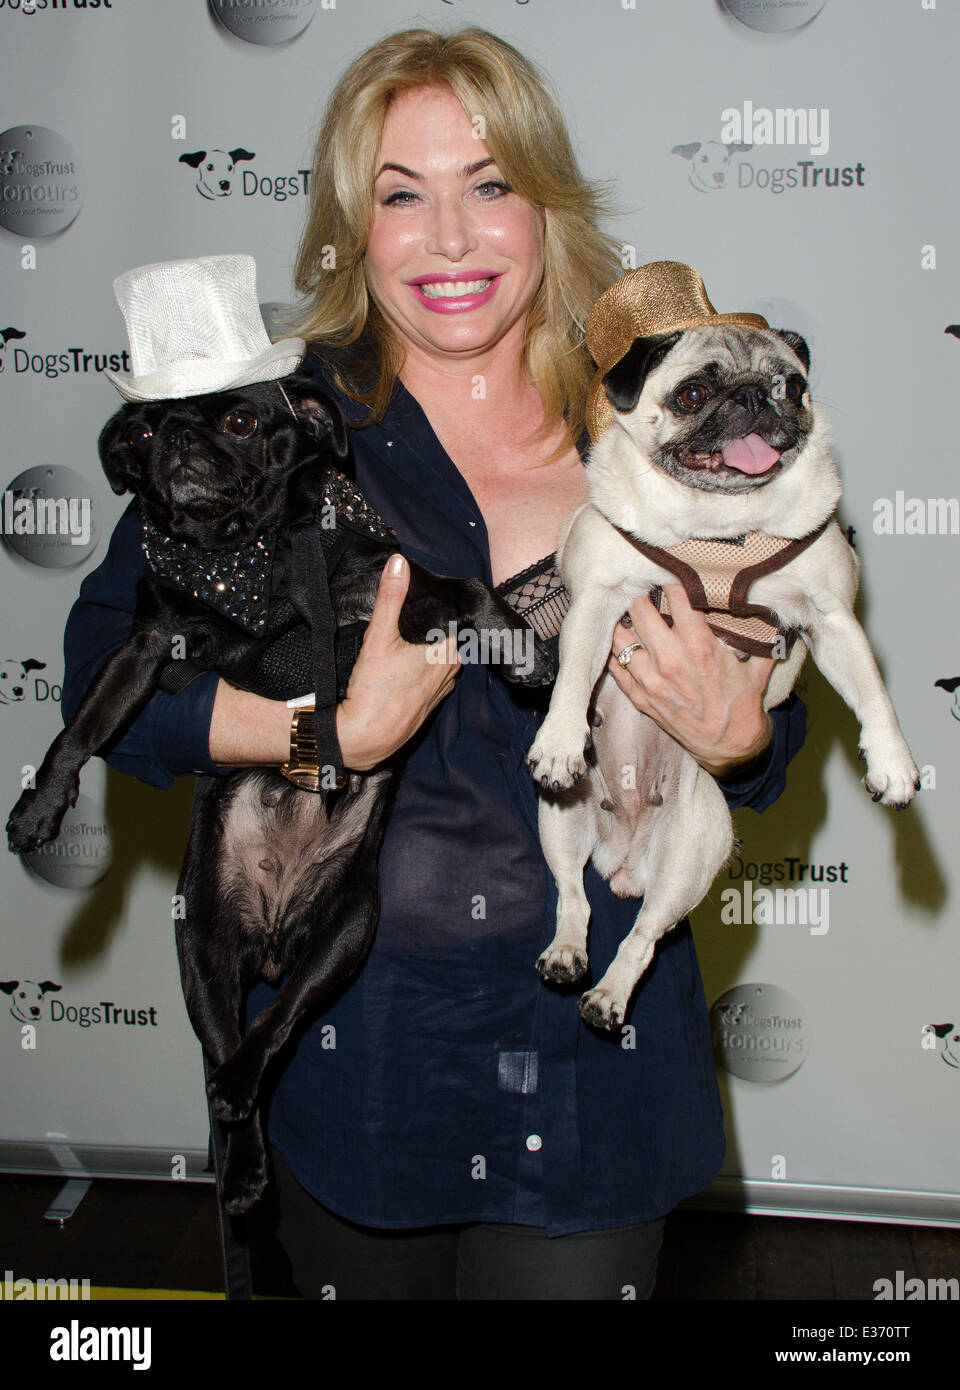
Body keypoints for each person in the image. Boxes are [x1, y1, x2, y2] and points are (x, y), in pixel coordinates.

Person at [62, 26, 805, 1300]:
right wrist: (322, 734)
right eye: (403, 195)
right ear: (356, 227)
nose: (450, 238)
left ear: (546, 205)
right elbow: (101, 674)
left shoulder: (659, 421)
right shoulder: (275, 422)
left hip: (589, 1067)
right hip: (354, 1056)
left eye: (489, 184)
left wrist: (740, 738)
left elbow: (761, 732)